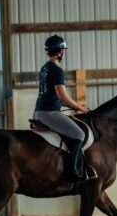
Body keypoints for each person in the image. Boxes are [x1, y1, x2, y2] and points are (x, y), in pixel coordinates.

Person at [33, 35, 89, 181]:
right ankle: (72, 172)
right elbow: (62, 96)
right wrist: (80, 107)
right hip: (49, 113)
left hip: (39, 112)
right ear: (59, 52)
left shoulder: (44, 69)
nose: (63, 53)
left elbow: (54, 97)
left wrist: (72, 106)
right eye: (63, 50)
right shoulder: (57, 70)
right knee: (80, 135)